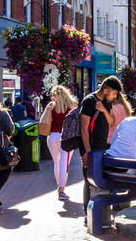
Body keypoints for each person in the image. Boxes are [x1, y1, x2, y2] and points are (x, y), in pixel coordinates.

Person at [80, 76, 122, 205]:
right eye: (114, 93)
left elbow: (112, 121)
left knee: (99, 179)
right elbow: (83, 129)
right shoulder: (89, 101)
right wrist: (87, 152)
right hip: (91, 148)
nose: (114, 96)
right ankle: (88, 214)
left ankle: (99, 210)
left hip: (102, 147)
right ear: (105, 90)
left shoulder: (107, 103)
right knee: (89, 180)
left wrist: (103, 110)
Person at [40, 85, 78, 200]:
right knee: (64, 164)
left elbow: (45, 120)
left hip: (52, 137)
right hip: (66, 137)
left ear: (55, 96)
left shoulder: (51, 106)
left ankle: (59, 187)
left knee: (56, 163)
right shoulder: (72, 105)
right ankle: (61, 190)